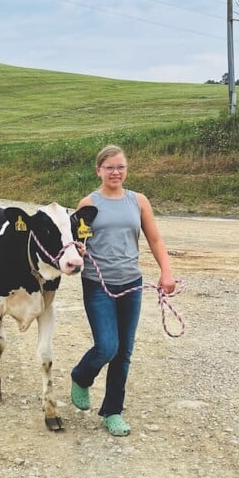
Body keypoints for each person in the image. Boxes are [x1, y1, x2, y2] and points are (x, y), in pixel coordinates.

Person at [70, 145, 176, 437]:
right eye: (109, 168)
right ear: (98, 171)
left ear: (126, 169)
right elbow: (79, 240)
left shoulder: (138, 201)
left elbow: (154, 239)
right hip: (98, 284)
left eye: (121, 167)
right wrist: (79, 249)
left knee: (123, 352)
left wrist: (166, 271)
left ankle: (112, 411)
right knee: (107, 346)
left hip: (131, 282)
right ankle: (81, 376)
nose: (116, 172)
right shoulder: (88, 202)